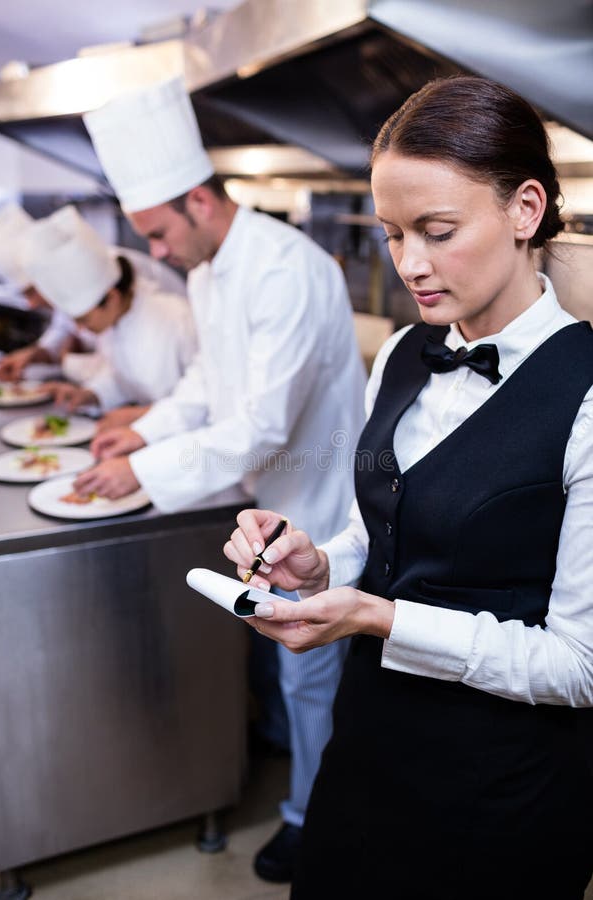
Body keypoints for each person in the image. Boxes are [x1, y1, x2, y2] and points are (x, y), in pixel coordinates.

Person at [224, 75, 593, 900]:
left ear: (525, 210)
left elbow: (581, 664)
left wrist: (379, 618)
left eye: (437, 230)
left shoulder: (588, 396)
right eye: (392, 235)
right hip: (368, 748)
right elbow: (377, 532)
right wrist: (319, 566)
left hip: (503, 790)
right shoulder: (400, 353)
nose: (410, 266)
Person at [80, 76, 367, 881]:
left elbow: (262, 425)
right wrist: (142, 427)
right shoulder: (209, 270)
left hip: (316, 502)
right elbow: (209, 383)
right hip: (262, 500)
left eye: (158, 234)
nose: (157, 256)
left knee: (310, 673)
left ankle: (312, 818)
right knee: (280, 665)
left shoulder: (285, 271)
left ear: (199, 201)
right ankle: (290, 757)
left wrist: (138, 466)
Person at [20, 204, 196, 418]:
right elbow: (123, 379)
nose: (79, 328)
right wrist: (90, 395)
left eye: (83, 319)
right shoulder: (115, 325)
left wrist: (139, 416)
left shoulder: (178, 319)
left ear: (112, 298)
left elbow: (203, 400)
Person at [0, 202, 98, 380]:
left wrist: (70, 361)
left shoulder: (99, 278)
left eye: (32, 291)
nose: (31, 304)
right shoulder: (65, 292)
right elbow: (62, 332)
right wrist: (33, 355)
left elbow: (120, 369)